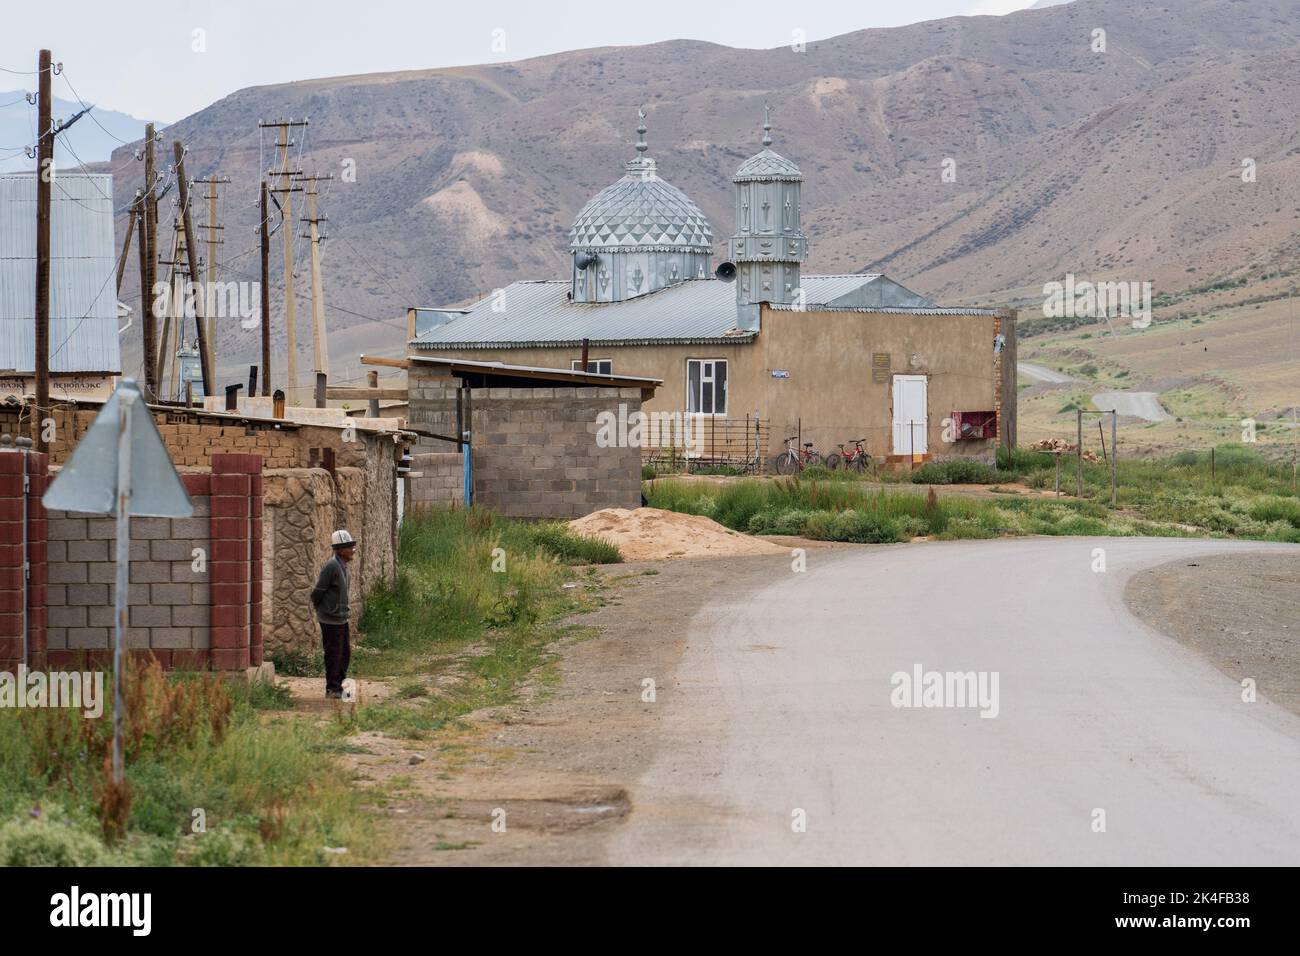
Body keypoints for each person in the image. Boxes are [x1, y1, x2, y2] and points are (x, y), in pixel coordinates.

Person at [311, 530, 356, 699]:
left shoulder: (344, 567)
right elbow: (317, 592)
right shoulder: (332, 567)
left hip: (341, 618)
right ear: (340, 549)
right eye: (349, 547)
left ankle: (340, 685)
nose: (352, 550)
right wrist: (324, 611)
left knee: (344, 653)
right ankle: (332, 688)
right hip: (331, 619)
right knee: (333, 654)